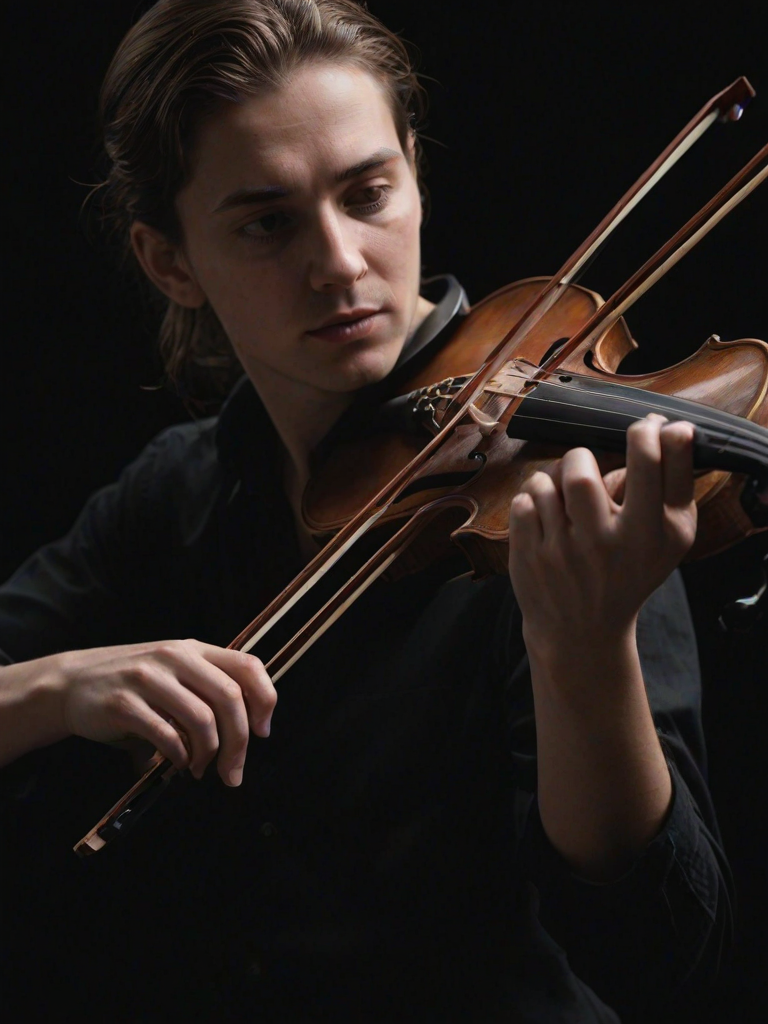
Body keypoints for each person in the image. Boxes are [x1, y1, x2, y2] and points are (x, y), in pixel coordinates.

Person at [0, 1, 732, 1020]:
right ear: (171, 262)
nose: (340, 263)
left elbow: (657, 957)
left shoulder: (562, 484)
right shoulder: (180, 491)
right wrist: (56, 685)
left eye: (368, 193)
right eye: (267, 222)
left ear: (415, 178)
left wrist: (586, 652)